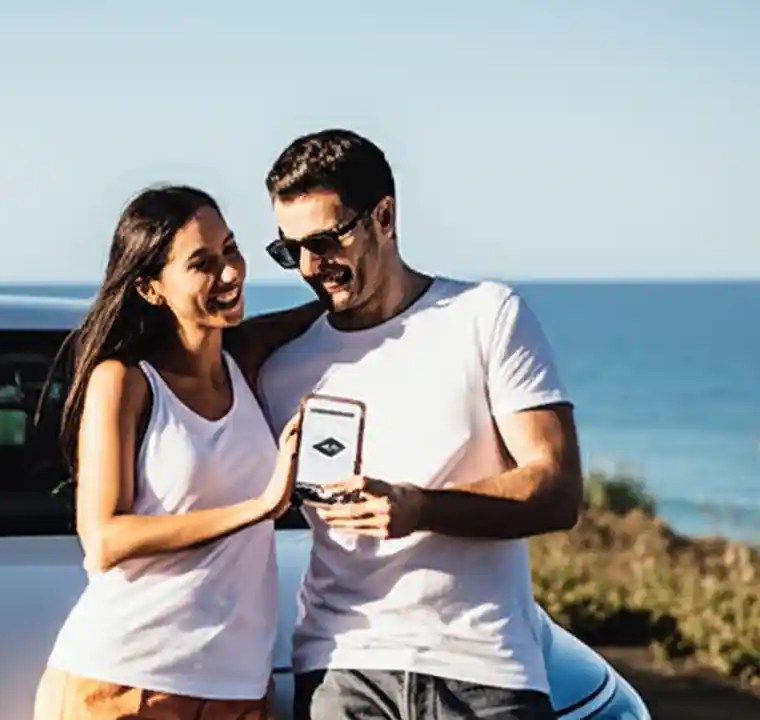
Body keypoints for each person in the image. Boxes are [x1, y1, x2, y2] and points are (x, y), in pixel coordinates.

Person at [243, 129, 583, 720]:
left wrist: (418, 507)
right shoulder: (280, 364)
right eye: (289, 249)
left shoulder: (486, 315)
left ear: (385, 215)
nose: (307, 266)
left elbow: (555, 489)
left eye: (324, 241)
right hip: (340, 667)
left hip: (483, 668)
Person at [33, 185, 304, 720]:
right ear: (150, 288)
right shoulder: (126, 381)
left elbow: (339, 310)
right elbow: (104, 537)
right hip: (125, 686)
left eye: (231, 249)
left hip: (239, 691)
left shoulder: (244, 361)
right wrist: (258, 507)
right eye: (203, 263)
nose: (230, 273)